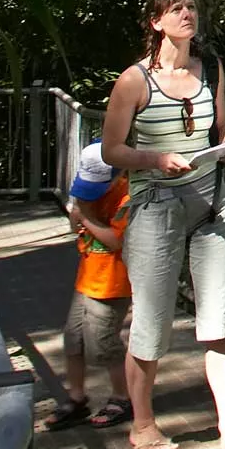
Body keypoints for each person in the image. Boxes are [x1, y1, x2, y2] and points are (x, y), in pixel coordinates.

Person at [99, 0, 225, 449]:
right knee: (152, 322)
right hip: (156, 207)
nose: (186, 14)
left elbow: (220, 123)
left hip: (212, 203)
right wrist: (156, 159)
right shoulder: (134, 80)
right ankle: (144, 425)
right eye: (176, 9)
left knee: (221, 320)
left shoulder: (211, 67)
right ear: (156, 22)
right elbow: (112, 149)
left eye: (191, 7)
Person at [45, 140, 132, 430]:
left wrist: (88, 217)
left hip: (112, 284)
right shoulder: (86, 196)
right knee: (74, 339)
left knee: (104, 342)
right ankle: (77, 396)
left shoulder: (126, 199)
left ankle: (122, 396)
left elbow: (116, 240)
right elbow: (77, 230)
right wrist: (77, 217)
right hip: (87, 278)